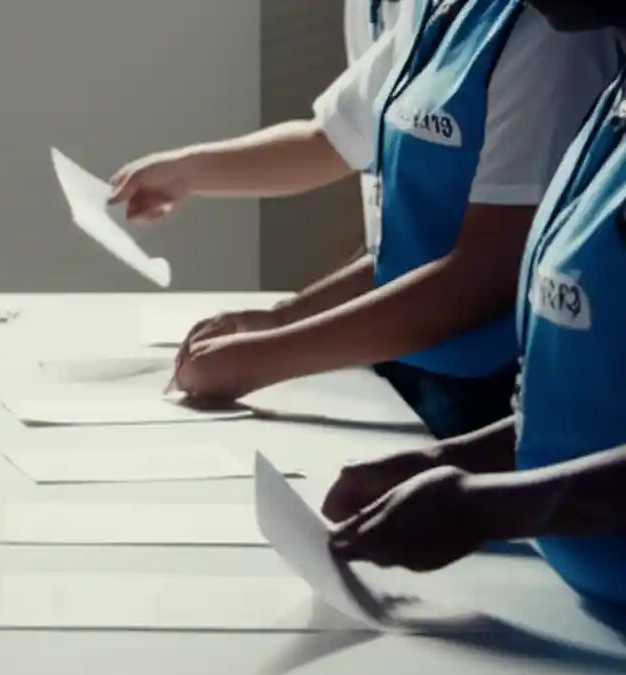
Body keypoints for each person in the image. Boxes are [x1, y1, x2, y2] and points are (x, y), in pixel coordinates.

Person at [110, 0, 619, 440]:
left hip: (483, 391)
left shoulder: (550, 40)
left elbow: (487, 269)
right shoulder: (432, 11)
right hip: (411, 378)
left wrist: (262, 357)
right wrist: (279, 321)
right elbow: (401, 240)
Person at [324, 0, 626, 611]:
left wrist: (488, 508)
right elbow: (583, 408)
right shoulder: (612, 104)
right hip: (578, 604)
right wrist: (448, 460)